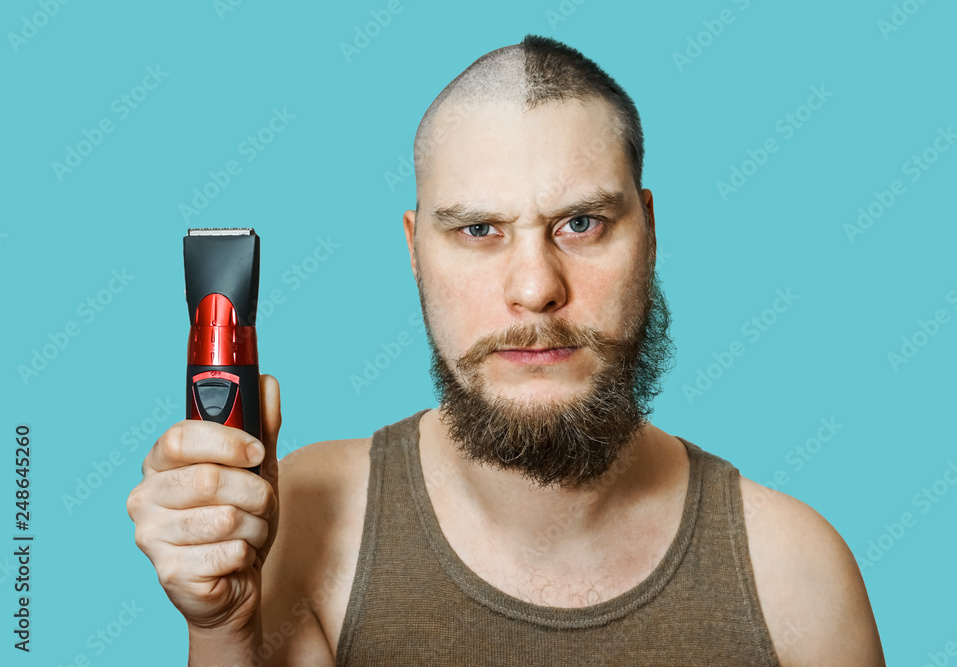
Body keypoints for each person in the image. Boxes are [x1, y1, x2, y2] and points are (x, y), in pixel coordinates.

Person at [127, 34, 885, 665]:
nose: (534, 288)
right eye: (480, 230)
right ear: (415, 252)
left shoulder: (798, 577)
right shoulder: (308, 521)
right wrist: (221, 628)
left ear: (649, 233)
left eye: (581, 223)